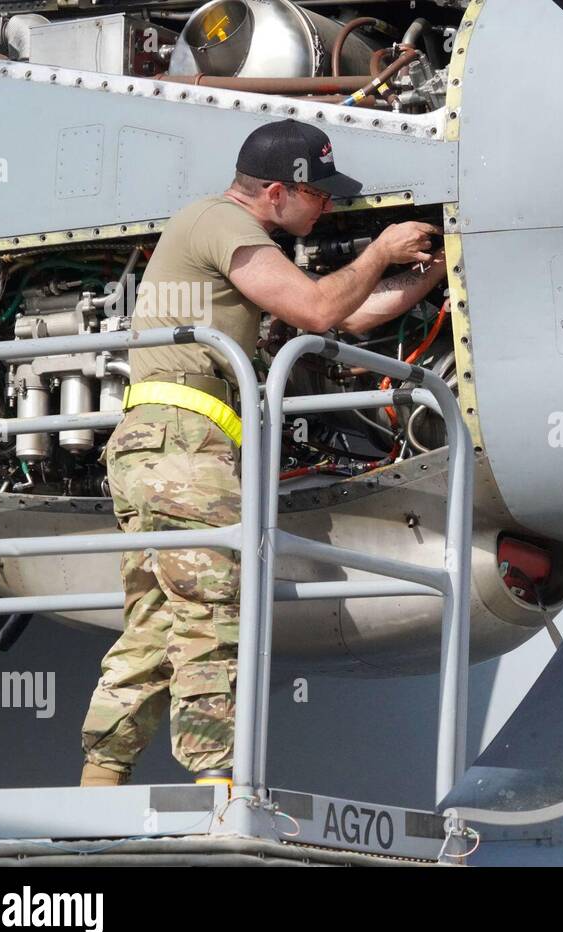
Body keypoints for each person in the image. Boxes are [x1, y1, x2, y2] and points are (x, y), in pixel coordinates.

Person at [79, 119, 444, 786]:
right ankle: (217, 791)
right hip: (183, 451)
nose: (329, 205)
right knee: (214, 613)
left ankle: (99, 785)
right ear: (276, 192)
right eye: (320, 194)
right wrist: (383, 249)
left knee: (157, 624)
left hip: (158, 450)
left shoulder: (225, 244)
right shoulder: (220, 222)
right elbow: (316, 309)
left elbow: (350, 314)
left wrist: (431, 274)